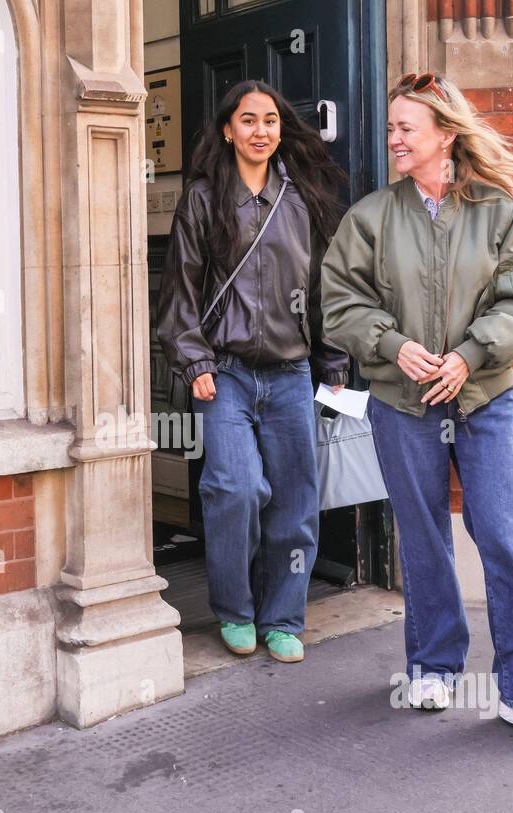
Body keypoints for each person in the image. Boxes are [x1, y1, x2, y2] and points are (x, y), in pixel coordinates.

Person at [320, 72, 513, 743]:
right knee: (425, 538)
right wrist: (393, 345)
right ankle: (433, 664)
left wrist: (469, 353)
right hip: (402, 405)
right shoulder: (371, 217)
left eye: (407, 127)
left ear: (445, 134)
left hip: (483, 398)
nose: (394, 138)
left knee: (508, 537)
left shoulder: (499, 212)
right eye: (392, 127)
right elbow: (338, 303)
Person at [156, 80, 351, 664]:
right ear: (227, 130)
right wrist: (194, 361)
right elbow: (181, 289)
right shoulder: (202, 199)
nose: (260, 130)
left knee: (294, 500)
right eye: (248, 120)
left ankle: (285, 617)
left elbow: (324, 287)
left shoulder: (302, 198)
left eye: (269, 120)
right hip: (226, 373)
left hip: (291, 374)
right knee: (234, 491)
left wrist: (333, 360)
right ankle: (236, 609)